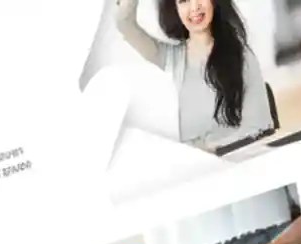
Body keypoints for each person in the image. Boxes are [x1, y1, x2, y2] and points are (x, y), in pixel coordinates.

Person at [115, 0, 275, 152]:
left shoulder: (242, 57)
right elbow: (125, 24)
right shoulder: (170, 58)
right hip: (192, 171)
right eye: (183, 1)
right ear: (175, 9)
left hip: (236, 166)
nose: (194, 7)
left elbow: (258, 127)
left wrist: (209, 150)